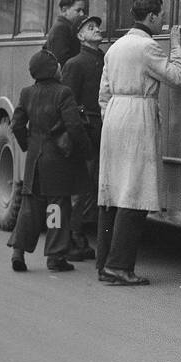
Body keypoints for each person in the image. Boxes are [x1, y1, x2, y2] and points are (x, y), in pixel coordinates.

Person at [96, 0, 181, 286]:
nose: (162, 21)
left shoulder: (115, 47)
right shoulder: (147, 46)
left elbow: (103, 93)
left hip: (113, 115)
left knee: (112, 192)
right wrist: (176, 46)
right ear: (150, 17)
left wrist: (111, 117)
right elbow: (178, 77)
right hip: (138, 114)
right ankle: (120, 267)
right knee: (133, 192)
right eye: (161, 16)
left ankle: (104, 264)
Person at [8, 49, 91, 273]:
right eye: (57, 65)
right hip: (57, 163)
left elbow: (16, 125)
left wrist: (28, 145)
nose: (60, 68)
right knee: (56, 207)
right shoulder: (63, 93)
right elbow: (73, 126)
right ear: (51, 69)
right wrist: (86, 150)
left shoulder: (27, 93)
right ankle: (55, 257)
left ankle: (18, 251)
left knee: (30, 208)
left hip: (34, 160)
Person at [61, 15, 106, 261]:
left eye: (97, 26)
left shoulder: (104, 59)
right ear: (80, 36)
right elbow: (67, 105)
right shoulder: (75, 64)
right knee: (80, 187)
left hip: (100, 129)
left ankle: (79, 235)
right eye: (91, 28)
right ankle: (73, 237)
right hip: (85, 131)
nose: (97, 29)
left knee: (93, 185)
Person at [45, 0, 86, 66]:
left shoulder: (66, 27)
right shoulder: (61, 29)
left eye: (82, 10)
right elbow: (61, 61)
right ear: (64, 10)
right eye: (78, 10)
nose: (82, 14)